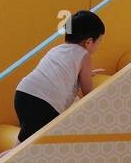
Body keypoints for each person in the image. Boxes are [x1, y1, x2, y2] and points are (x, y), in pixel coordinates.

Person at [14, 10, 105, 142]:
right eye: (100, 41)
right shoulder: (84, 55)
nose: (99, 46)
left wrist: (84, 74)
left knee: (25, 142)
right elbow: (87, 92)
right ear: (89, 42)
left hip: (23, 93)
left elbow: (58, 73)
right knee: (29, 147)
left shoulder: (57, 49)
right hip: (43, 102)